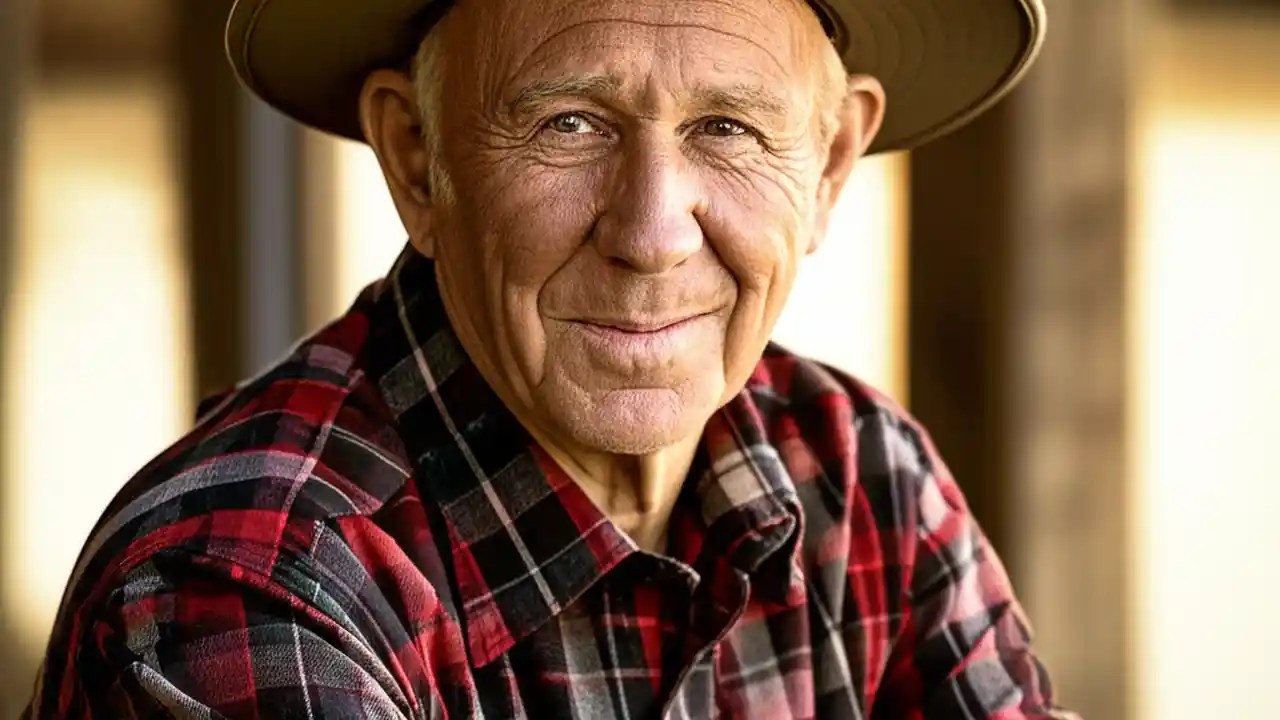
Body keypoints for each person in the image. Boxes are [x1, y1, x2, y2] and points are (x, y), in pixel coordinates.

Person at [27, 0, 1075, 717]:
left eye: (727, 128)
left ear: (830, 168)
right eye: (569, 123)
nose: (650, 233)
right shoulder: (242, 589)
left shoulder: (858, 473)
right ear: (417, 159)